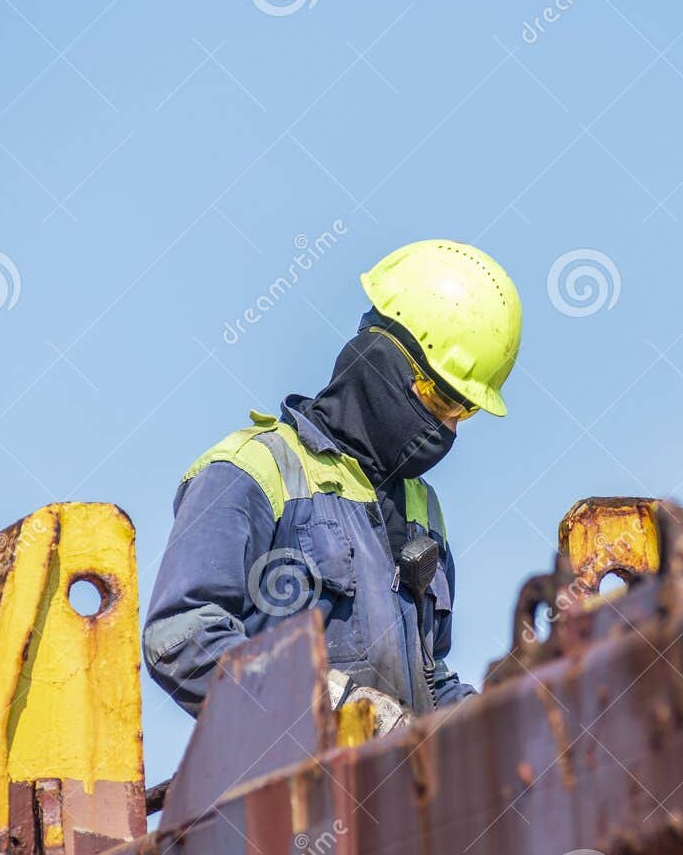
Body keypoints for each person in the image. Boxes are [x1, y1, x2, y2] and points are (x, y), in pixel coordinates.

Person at [142, 239, 523, 723]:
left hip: (394, 794)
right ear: (382, 362)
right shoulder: (253, 472)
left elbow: (429, 680)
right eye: (440, 400)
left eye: (462, 411)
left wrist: (489, 722)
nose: (448, 428)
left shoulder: (422, 512)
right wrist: (331, 706)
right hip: (280, 793)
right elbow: (181, 637)